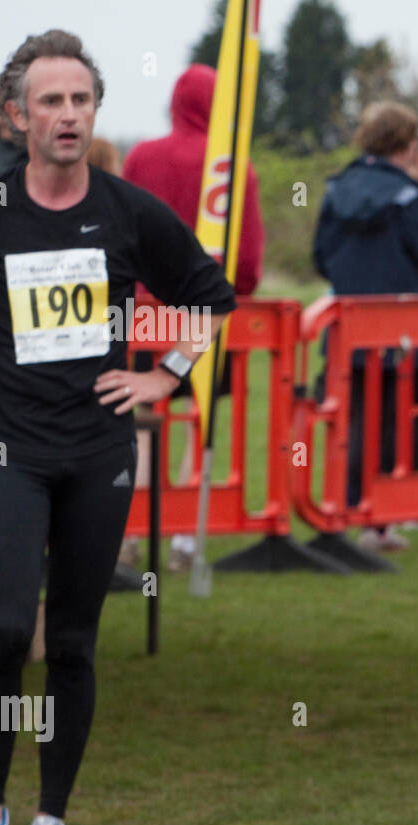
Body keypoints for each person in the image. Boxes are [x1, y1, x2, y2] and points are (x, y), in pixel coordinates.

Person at [0, 30, 235, 825]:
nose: (67, 115)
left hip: (98, 447)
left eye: (80, 101)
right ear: (16, 116)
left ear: (94, 112)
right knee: (5, 629)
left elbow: (210, 295)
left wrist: (163, 381)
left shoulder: (126, 209)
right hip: (8, 441)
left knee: (72, 640)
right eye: (50, 101)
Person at [122, 64, 266, 571]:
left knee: (137, 418)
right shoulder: (232, 165)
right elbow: (247, 256)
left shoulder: (141, 156)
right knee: (198, 420)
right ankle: (185, 535)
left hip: (140, 311)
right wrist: (235, 292)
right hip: (206, 313)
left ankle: (129, 530)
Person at [313, 100, 418, 554]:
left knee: (361, 423)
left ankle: (368, 521)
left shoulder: (336, 190)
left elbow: (321, 256)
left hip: (353, 333)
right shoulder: (409, 196)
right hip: (411, 336)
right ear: (407, 143)